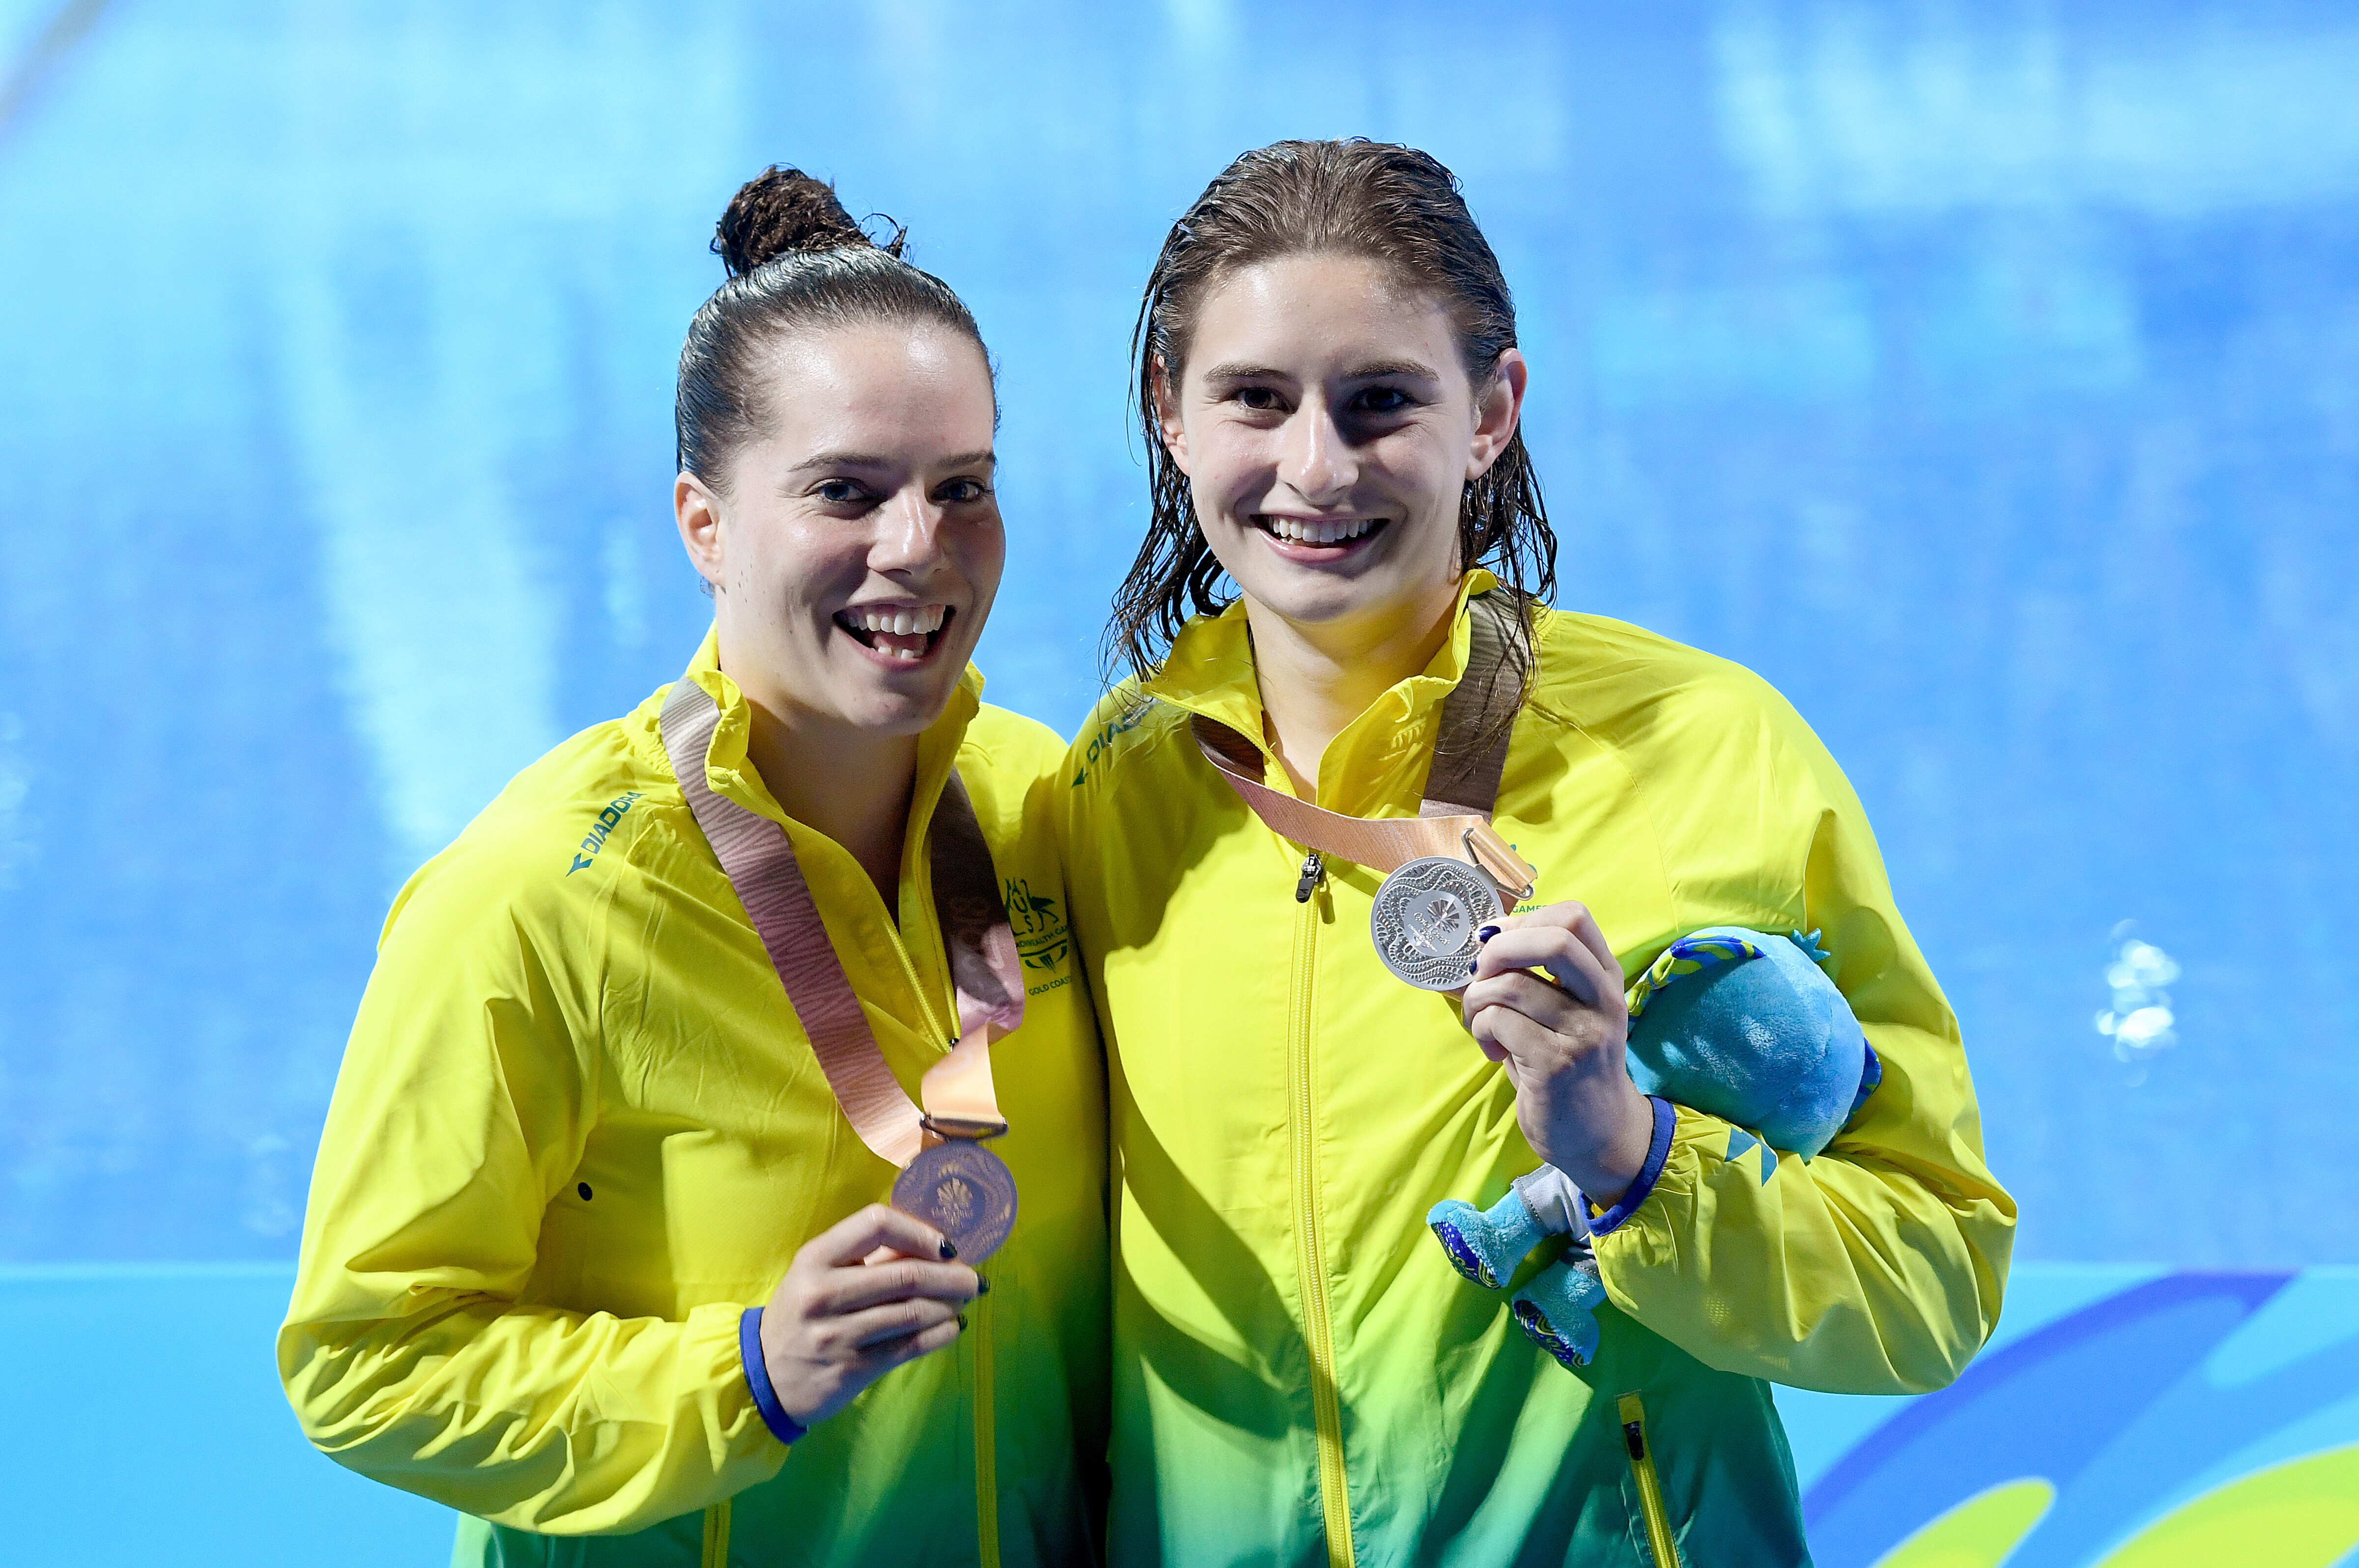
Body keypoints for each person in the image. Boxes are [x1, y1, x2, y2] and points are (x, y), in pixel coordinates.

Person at [1060, 139, 2015, 1566]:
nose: (1316, 467)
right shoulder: (1116, 786)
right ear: (1171, 414)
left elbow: (1933, 1281)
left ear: (1494, 410)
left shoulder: (1707, 751)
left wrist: (1635, 1162)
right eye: (1255, 399)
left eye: (1382, 402)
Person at [280, 168, 1107, 1567]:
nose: (918, 548)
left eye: (960, 487)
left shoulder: (1043, 802)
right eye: (845, 492)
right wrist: (747, 1376)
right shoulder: (538, 897)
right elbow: (368, 1365)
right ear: (705, 525)